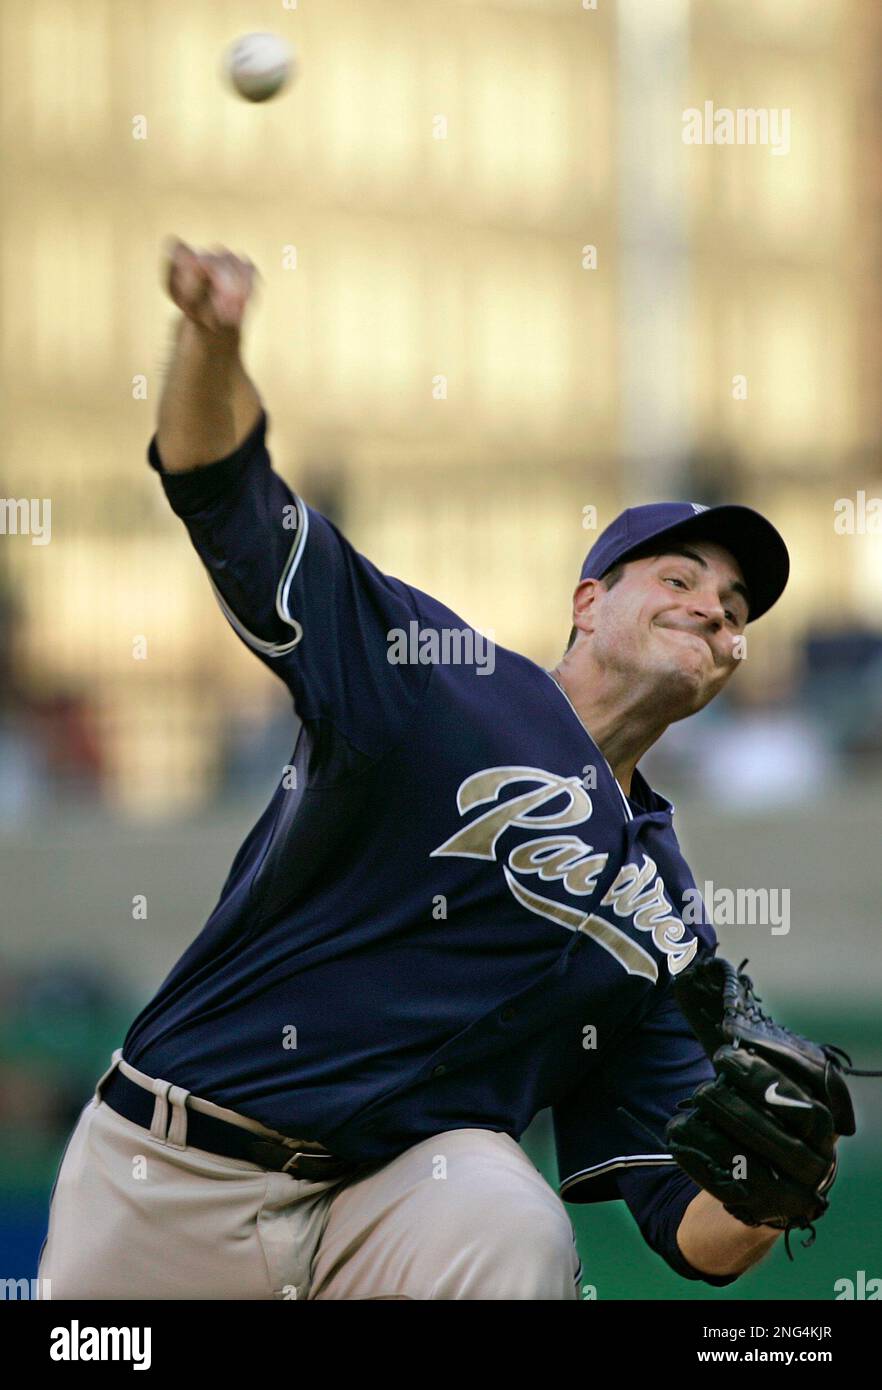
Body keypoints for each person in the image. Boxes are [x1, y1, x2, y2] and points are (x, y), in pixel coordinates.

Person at [38, 239, 797, 1301]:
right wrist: (211, 340)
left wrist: (773, 1186)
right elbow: (228, 497)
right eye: (680, 575)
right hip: (178, 1174)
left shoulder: (664, 912)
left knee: (505, 1213)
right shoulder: (437, 684)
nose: (714, 608)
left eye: (735, 611)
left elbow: (689, 1224)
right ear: (588, 603)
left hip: (393, 1206)